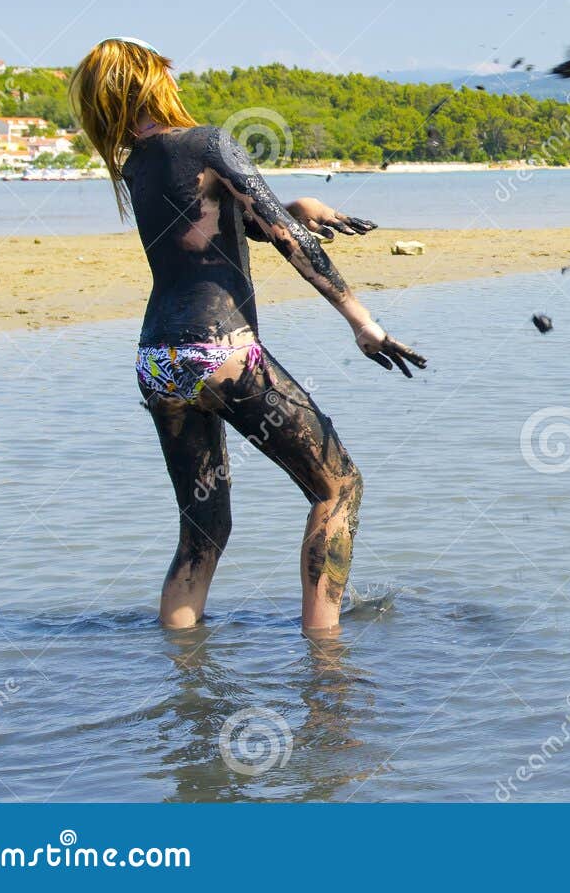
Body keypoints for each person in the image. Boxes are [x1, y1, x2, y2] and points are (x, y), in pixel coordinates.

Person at [70, 38, 427, 634]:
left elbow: (214, 227)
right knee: (338, 487)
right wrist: (364, 323)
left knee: (203, 527)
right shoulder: (207, 141)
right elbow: (290, 240)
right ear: (154, 84)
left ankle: (183, 668)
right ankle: (326, 655)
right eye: (168, 77)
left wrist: (295, 205)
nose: (177, 86)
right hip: (223, 350)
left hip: (159, 359)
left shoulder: (136, 163)